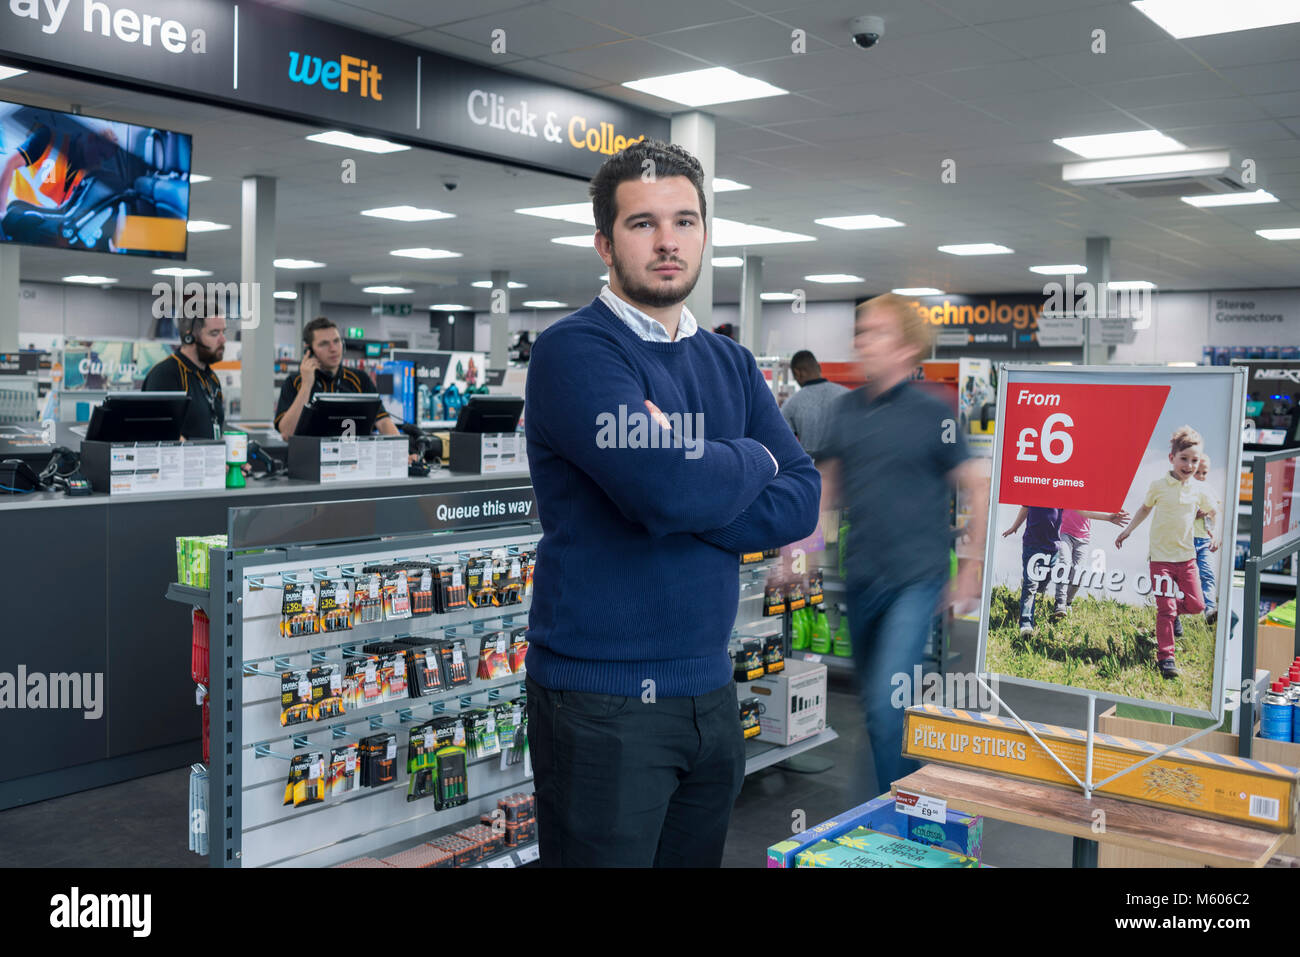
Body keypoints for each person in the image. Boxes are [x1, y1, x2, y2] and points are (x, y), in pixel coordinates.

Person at [523, 139, 820, 867]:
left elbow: (802, 497)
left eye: (685, 221)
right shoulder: (575, 353)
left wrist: (694, 473)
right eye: (642, 223)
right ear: (604, 242)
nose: (667, 242)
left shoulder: (731, 362)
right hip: (600, 704)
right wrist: (752, 457)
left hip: (710, 688)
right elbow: (668, 489)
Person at [820, 293, 985, 800]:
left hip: (917, 581)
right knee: (880, 703)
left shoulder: (933, 413)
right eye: (860, 330)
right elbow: (827, 486)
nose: (861, 341)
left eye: (876, 332)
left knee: (886, 706)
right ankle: (914, 793)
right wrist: (802, 550)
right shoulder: (844, 410)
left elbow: (977, 485)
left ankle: (893, 820)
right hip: (861, 576)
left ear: (908, 347)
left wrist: (972, 567)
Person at [1115, 425, 1212, 680]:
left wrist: (1216, 532)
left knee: (1197, 605)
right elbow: (1145, 509)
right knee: (1165, 610)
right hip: (1160, 560)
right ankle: (1166, 658)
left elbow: (1213, 511)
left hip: (1187, 559)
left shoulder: (1198, 490)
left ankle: (1173, 614)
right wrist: (1128, 531)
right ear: (1172, 458)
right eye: (1184, 459)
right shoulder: (1158, 485)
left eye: (1194, 460)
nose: (1189, 465)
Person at [275, 317, 402, 440]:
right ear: (309, 350)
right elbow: (287, 433)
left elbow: (383, 421)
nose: (333, 349)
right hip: (309, 459)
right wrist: (307, 385)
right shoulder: (294, 382)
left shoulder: (359, 379)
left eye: (336, 341)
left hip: (353, 458)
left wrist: (403, 453)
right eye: (324, 344)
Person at [141, 311, 229, 441]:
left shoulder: (212, 378)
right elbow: (163, 432)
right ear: (190, 337)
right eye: (214, 333)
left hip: (211, 460)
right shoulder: (165, 376)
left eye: (224, 332)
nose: (223, 340)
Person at [1049, 508, 1130, 620]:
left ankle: (1067, 602)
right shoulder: (1070, 490)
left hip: (1083, 539)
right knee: (1064, 564)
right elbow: (1078, 510)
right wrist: (1108, 517)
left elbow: (1092, 508)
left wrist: (1113, 512)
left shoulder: (1089, 494)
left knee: (1079, 573)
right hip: (1064, 533)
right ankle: (1060, 603)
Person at [780, 350, 848, 459]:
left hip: (810, 470)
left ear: (798, 373)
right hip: (844, 469)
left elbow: (781, 443)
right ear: (819, 367)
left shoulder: (791, 404)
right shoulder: (847, 395)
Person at [1192, 454, 1220, 623]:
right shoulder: (1184, 488)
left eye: (1204, 473)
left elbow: (1216, 510)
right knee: (1184, 578)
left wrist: (1213, 531)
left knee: (1207, 574)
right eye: (1198, 473)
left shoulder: (1208, 489)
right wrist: (1193, 515)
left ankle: (1210, 610)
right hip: (1185, 539)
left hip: (1203, 540)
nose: (1201, 477)